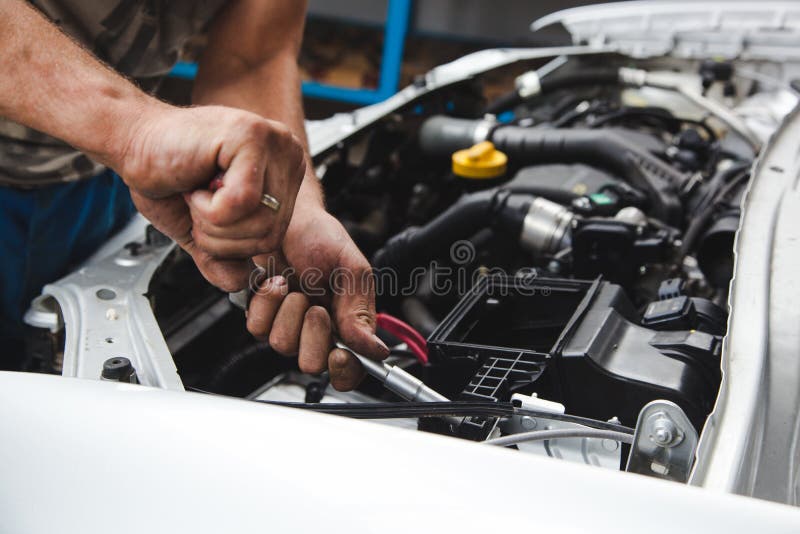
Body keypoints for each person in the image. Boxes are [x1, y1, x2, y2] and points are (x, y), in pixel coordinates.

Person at [0, 0, 387, 387]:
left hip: (98, 180)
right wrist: (133, 130)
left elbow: (251, 60)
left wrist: (291, 214)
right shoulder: (130, 134)